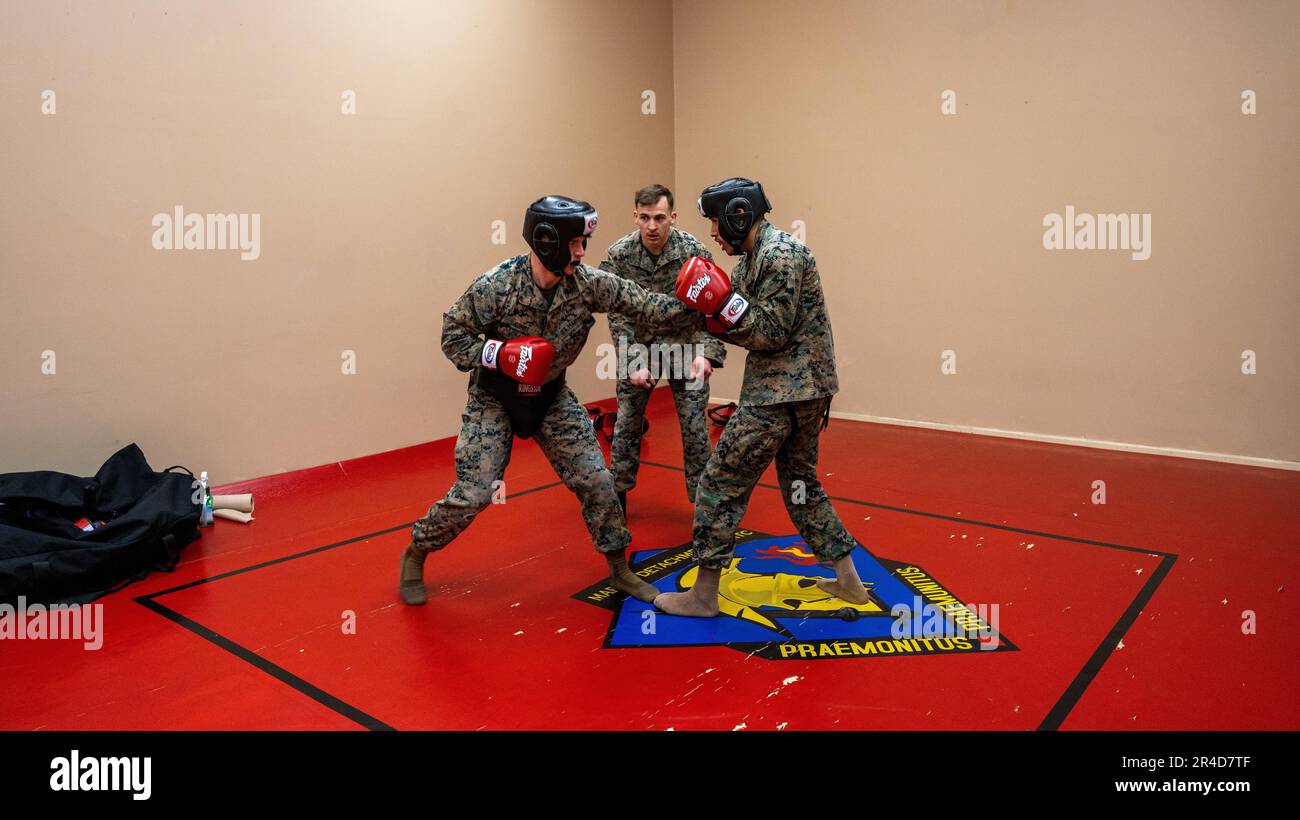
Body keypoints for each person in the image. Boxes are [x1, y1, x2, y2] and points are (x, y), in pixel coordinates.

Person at [400, 195, 700, 607]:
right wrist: (498, 355)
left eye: (583, 243)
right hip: (495, 397)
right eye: (575, 243)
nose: (581, 252)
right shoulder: (497, 285)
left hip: (551, 396)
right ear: (548, 242)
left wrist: (705, 304)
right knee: (475, 491)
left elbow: (645, 304)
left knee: (597, 479)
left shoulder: (587, 283)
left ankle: (618, 568)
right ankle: (418, 549)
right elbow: (453, 335)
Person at [654, 178, 870, 617]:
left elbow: (769, 332)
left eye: (716, 222)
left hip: (779, 394)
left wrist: (722, 309)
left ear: (737, 215)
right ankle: (850, 584)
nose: (713, 233)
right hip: (802, 392)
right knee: (801, 486)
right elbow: (735, 319)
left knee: (718, 483)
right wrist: (702, 312)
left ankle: (703, 596)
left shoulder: (780, 255)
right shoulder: (752, 260)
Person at [598, 184, 725, 516]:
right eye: (644, 218)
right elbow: (616, 312)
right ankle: (619, 497)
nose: (651, 226)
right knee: (626, 425)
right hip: (640, 349)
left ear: (673, 216)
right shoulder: (619, 255)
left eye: (658, 217)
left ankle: (704, 505)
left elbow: (712, 307)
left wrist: (706, 353)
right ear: (635, 216)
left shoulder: (693, 251)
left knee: (696, 428)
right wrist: (631, 361)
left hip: (686, 346)